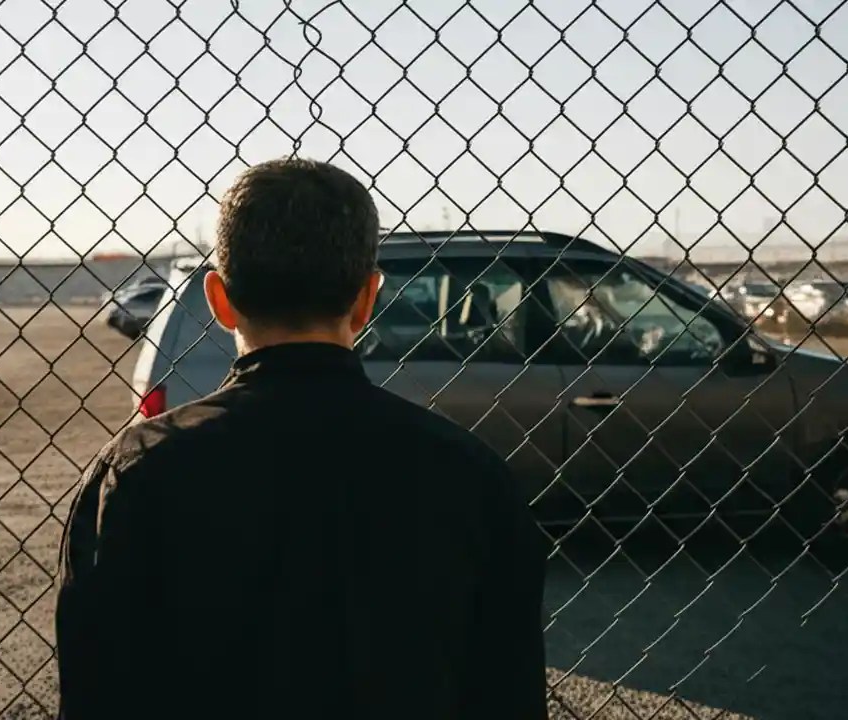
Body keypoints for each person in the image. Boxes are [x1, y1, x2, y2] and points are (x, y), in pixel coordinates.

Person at [55, 157, 549, 719]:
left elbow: (96, 691)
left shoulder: (138, 474)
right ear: (366, 300)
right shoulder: (470, 476)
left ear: (219, 300)